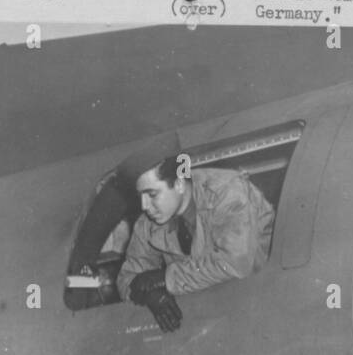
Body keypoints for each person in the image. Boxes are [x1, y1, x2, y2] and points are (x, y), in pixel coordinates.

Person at [115, 133, 275, 332]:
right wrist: (150, 295)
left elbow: (236, 263)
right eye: (141, 196)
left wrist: (164, 278)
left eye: (152, 194)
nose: (145, 206)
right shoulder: (148, 222)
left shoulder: (227, 192)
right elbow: (126, 279)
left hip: (261, 306)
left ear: (180, 183)